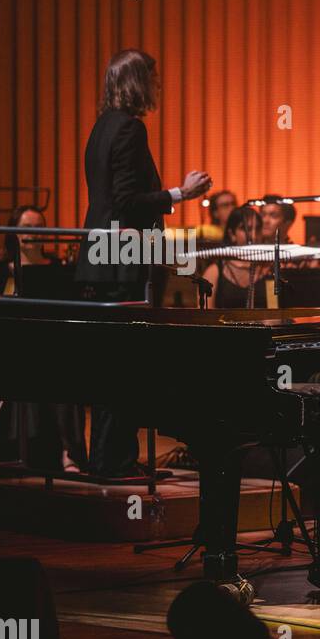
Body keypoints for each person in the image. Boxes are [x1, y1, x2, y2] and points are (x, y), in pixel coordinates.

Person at [75, 49, 212, 475]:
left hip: (99, 258)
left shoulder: (101, 128)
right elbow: (126, 201)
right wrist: (180, 194)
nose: (158, 86)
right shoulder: (131, 129)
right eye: (153, 78)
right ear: (138, 82)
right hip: (122, 260)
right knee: (126, 365)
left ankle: (108, 460)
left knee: (108, 366)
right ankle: (115, 463)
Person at [0, 206, 88, 473]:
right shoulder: (3, 272)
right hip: (14, 350)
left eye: (38, 228)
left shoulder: (58, 270)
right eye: (26, 228)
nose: (33, 235)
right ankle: (31, 453)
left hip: (51, 347)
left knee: (62, 370)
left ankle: (69, 454)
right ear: (15, 233)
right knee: (35, 368)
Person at [200, 206, 265, 308]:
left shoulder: (270, 269)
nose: (253, 236)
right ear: (232, 234)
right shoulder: (215, 272)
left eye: (257, 228)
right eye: (245, 229)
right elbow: (204, 316)